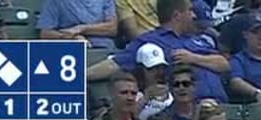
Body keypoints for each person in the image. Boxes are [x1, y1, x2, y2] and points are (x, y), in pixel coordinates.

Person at [92, 0, 231, 105]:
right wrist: (76, 76)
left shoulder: (198, 40)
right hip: (187, 107)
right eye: (190, 10)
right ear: (177, 15)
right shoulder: (151, 40)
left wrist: (193, 58)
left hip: (221, 107)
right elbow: (114, 64)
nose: (194, 15)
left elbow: (224, 64)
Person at [40, 0, 118, 48]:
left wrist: (81, 29)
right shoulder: (56, 1)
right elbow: (45, 33)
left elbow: (112, 28)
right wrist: (71, 38)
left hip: (103, 48)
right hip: (69, 49)